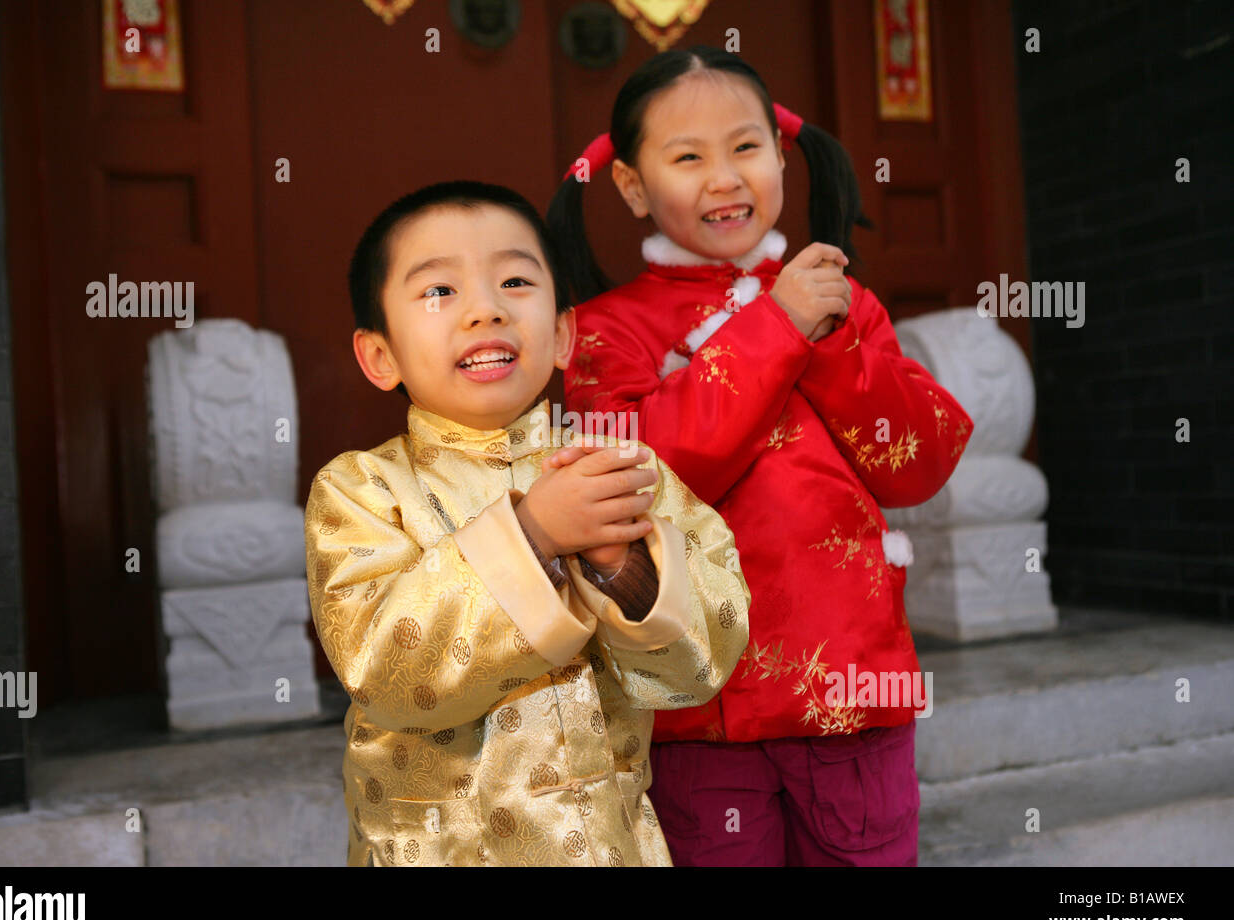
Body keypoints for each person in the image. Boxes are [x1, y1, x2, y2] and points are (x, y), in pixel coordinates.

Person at [546, 46, 975, 866]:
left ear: (782, 155)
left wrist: (829, 335)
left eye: (745, 147)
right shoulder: (606, 329)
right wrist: (773, 330)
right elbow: (646, 477)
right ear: (633, 187)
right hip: (699, 708)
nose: (724, 177)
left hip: (853, 687)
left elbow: (915, 462)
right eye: (687, 157)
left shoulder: (840, 297)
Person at [305, 179, 751, 866]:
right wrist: (533, 535)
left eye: (515, 281)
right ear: (379, 356)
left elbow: (702, 665)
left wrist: (621, 567)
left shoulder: (621, 470)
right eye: (439, 292)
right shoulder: (362, 491)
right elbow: (386, 672)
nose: (485, 310)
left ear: (566, 334)